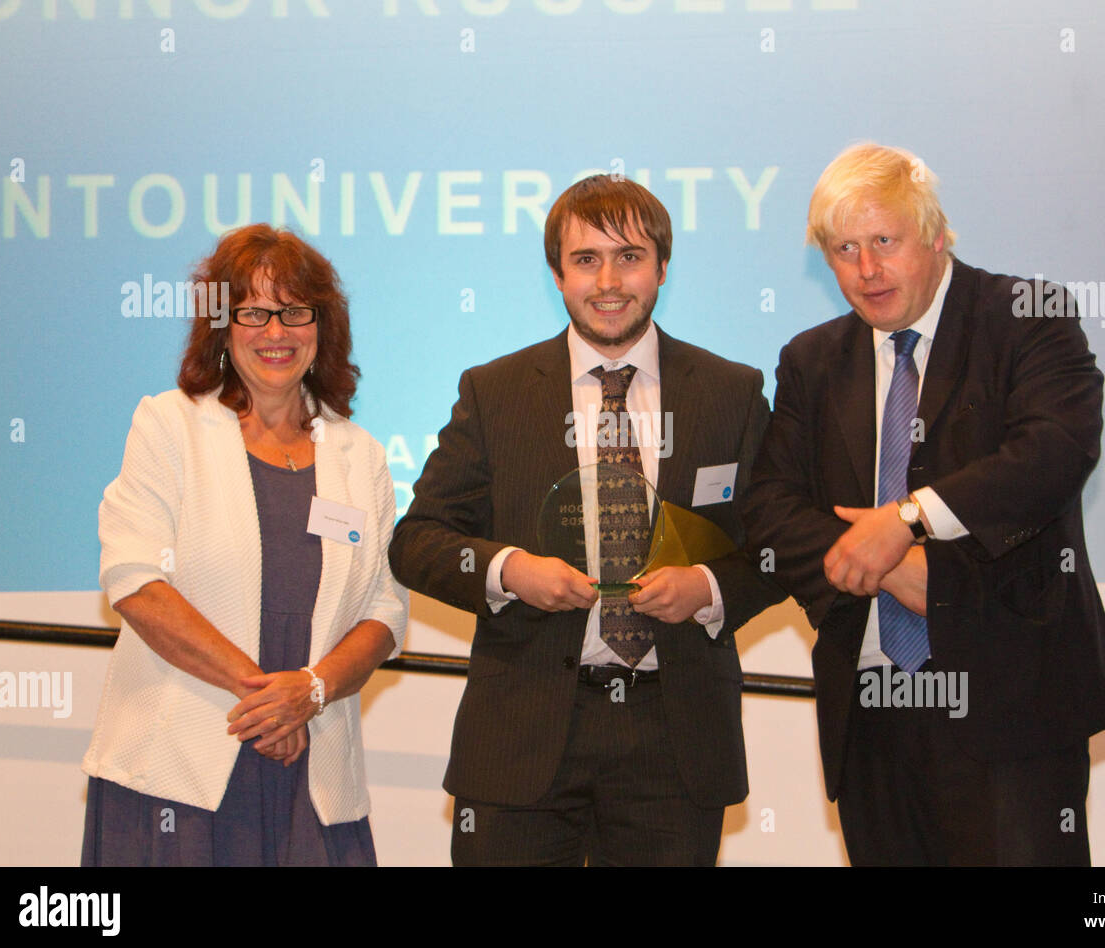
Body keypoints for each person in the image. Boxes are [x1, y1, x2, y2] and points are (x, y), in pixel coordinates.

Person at [741, 143, 1105, 865]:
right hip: (874, 712)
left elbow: (1053, 453)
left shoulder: (1026, 316)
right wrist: (889, 563)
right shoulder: (811, 360)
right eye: (843, 249)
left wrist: (909, 519)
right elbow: (770, 507)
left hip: (1012, 710)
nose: (865, 271)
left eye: (884, 242)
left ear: (937, 232)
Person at [390, 174, 783, 866]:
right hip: (522, 733)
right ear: (557, 273)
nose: (608, 281)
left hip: (675, 738)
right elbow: (417, 542)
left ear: (662, 267)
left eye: (629, 257)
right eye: (585, 259)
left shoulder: (733, 393)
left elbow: (778, 549)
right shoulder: (494, 391)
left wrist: (709, 589)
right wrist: (512, 572)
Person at [82, 224, 408, 866]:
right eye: (253, 312)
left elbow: (384, 613)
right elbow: (136, 582)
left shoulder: (361, 455)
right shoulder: (169, 424)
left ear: (322, 326)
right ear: (222, 328)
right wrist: (267, 699)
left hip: (313, 773)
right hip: (178, 771)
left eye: (294, 311)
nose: (276, 332)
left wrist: (308, 695)